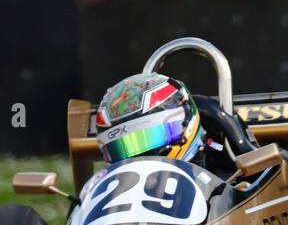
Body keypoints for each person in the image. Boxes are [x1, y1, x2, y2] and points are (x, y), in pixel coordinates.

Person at [94, 72, 236, 177]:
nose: (141, 156)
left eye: (150, 138)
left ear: (185, 125)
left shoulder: (226, 173)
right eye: (123, 149)